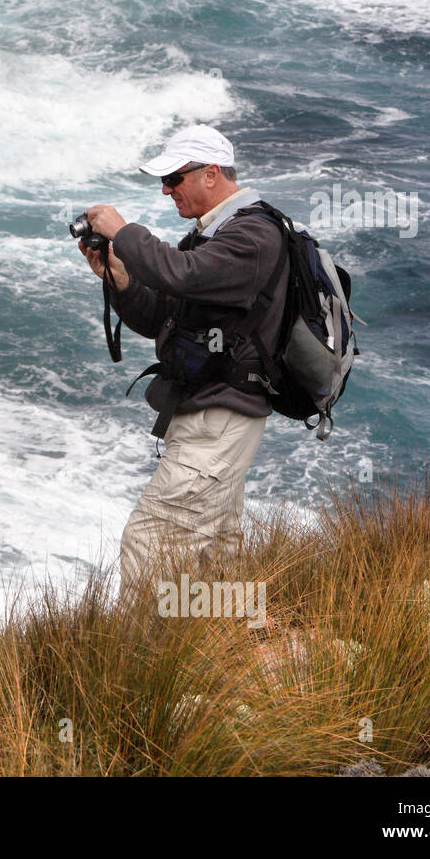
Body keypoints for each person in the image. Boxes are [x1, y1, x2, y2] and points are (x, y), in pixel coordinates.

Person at [77, 124, 288, 594]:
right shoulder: (213, 238)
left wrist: (125, 232)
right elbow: (164, 318)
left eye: (174, 178)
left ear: (211, 173)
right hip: (206, 414)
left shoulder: (254, 235)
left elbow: (181, 275)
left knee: (150, 542)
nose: (167, 190)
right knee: (217, 555)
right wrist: (119, 279)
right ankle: (228, 647)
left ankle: (140, 662)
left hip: (221, 417)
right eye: (163, 182)